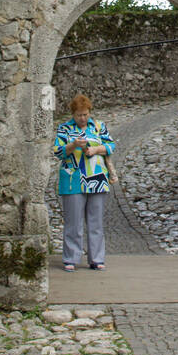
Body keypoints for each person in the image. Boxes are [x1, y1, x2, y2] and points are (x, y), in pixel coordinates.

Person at [53, 93, 117, 271]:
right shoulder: (65, 129)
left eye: (85, 114)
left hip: (97, 179)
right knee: (73, 222)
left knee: (95, 221)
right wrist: (73, 145)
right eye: (79, 115)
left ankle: (96, 259)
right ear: (73, 114)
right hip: (73, 180)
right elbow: (58, 152)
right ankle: (71, 258)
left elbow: (111, 146)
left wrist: (95, 149)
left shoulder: (98, 126)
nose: (82, 118)